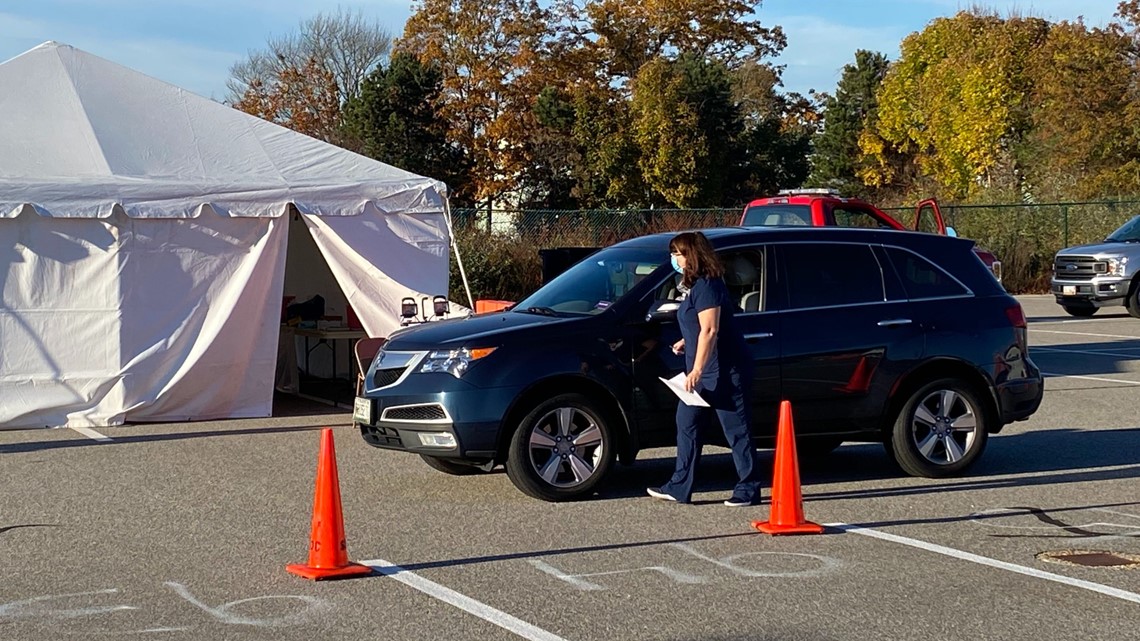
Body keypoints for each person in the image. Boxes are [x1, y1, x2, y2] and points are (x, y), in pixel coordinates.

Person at [647, 231, 762, 507]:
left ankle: (749, 488)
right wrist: (686, 341)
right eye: (673, 254)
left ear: (693, 256)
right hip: (700, 374)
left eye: (678, 254)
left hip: (724, 372)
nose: (675, 260)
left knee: (736, 430)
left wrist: (697, 369)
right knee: (687, 424)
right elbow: (698, 327)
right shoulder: (696, 287)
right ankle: (679, 486)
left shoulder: (709, 285)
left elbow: (710, 329)